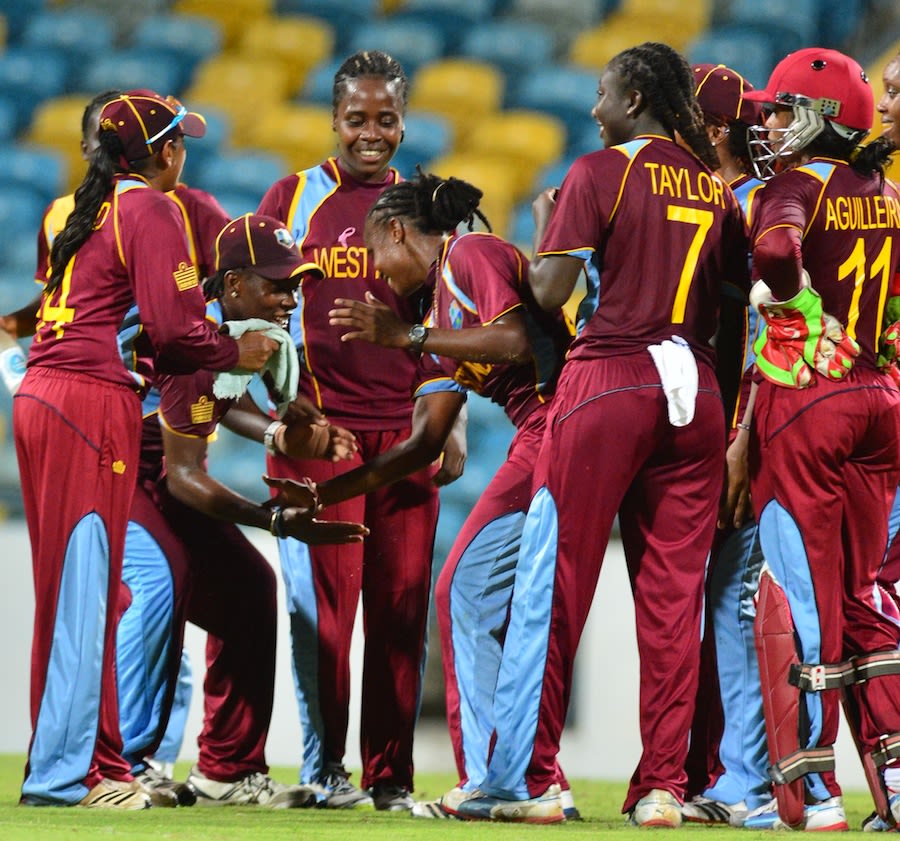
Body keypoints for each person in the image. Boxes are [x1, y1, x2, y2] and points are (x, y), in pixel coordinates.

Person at [446, 42, 749, 826]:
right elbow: (734, 305)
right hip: (697, 392)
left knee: (554, 580)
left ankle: (532, 778)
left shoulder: (599, 171)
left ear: (637, 97)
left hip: (610, 377)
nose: (594, 108)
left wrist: (550, 229)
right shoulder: (716, 193)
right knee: (674, 598)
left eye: (604, 92)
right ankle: (663, 786)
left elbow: (551, 289)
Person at [268, 169, 577, 821]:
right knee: (481, 593)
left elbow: (518, 337)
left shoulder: (469, 253)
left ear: (398, 232)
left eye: (376, 251)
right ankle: (529, 777)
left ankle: (505, 779)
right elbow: (420, 444)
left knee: (464, 588)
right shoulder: (430, 316)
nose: (376, 270)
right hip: (543, 433)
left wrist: (405, 338)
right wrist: (324, 498)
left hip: (563, 423)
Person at [13, 89, 277, 809]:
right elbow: (175, 331)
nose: (183, 154)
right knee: (87, 594)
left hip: (43, 394)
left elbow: (63, 311)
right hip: (90, 403)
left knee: (71, 590)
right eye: (178, 141)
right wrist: (239, 350)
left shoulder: (74, 207)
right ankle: (82, 773)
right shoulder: (153, 208)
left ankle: (70, 763)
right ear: (162, 151)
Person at [256, 50, 463, 810]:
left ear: (404, 121)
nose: (370, 133)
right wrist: (283, 414)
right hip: (323, 443)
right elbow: (251, 311)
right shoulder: (294, 197)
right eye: (356, 118)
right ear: (333, 120)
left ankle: (391, 779)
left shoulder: (425, 204)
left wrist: (455, 420)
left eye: (385, 119)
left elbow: (450, 318)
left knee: (402, 615)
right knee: (326, 622)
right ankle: (324, 770)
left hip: (405, 436)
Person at [135, 213, 366, 807]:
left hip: (162, 461)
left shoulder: (237, 333)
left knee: (247, 590)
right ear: (233, 284)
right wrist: (271, 519)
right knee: (159, 589)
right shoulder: (199, 340)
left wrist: (274, 432)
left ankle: (227, 773)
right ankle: (123, 764)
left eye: (294, 285)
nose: (290, 298)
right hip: (122, 467)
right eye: (276, 284)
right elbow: (182, 474)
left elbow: (212, 401)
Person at [733, 48, 900, 831]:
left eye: (778, 107)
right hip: (881, 398)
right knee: (866, 592)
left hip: (811, 400)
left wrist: (803, 308)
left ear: (819, 116)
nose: (766, 122)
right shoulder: (887, 190)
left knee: (797, 599)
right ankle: (896, 779)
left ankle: (814, 794)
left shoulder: (798, 184)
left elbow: (773, 250)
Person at [678, 63, 772, 825]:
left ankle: (753, 779)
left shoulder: (734, 209)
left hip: (749, 429)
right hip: (756, 422)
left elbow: (749, 334)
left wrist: (737, 438)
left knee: (737, 602)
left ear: (707, 131)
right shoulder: (748, 202)